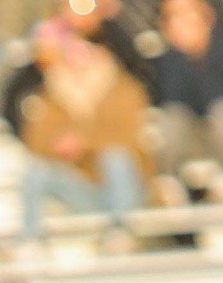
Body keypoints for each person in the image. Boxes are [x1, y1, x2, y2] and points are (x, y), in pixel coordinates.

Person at [14, 20, 150, 243]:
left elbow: (130, 138)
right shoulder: (50, 93)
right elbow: (35, 142)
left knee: (115, 158)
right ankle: (30, 240)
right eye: (71, 49)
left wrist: (84, 144)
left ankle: (121, 231)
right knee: (36, 172)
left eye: (85, 49)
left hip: (125, 185)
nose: (78, 57)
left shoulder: (125, 90)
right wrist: (57, 147)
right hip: (81, 186)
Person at [151, 0, 223, 202]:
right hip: (194, 135)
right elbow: (170, 99)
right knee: (172, 118)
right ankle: (170, 183)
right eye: (172, 17)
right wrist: (183, 56)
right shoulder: (169, 58)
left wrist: (199, 51)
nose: (180, 23)